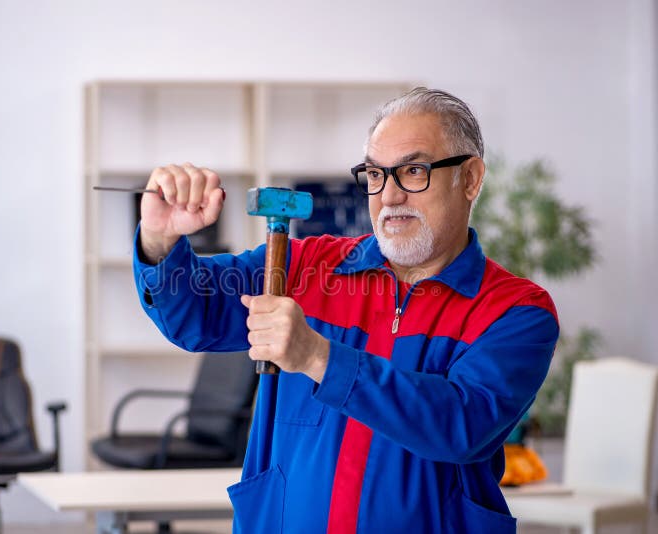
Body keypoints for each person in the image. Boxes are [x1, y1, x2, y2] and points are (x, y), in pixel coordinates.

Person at [133, 87, 559, 533]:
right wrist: (159, 239)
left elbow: (461, 424)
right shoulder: (303, 266)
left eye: (413, 171)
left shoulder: (515, 312)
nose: (389, 196)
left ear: (470, 178)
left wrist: (318, 357)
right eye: (375, 174)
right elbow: (195, 312)